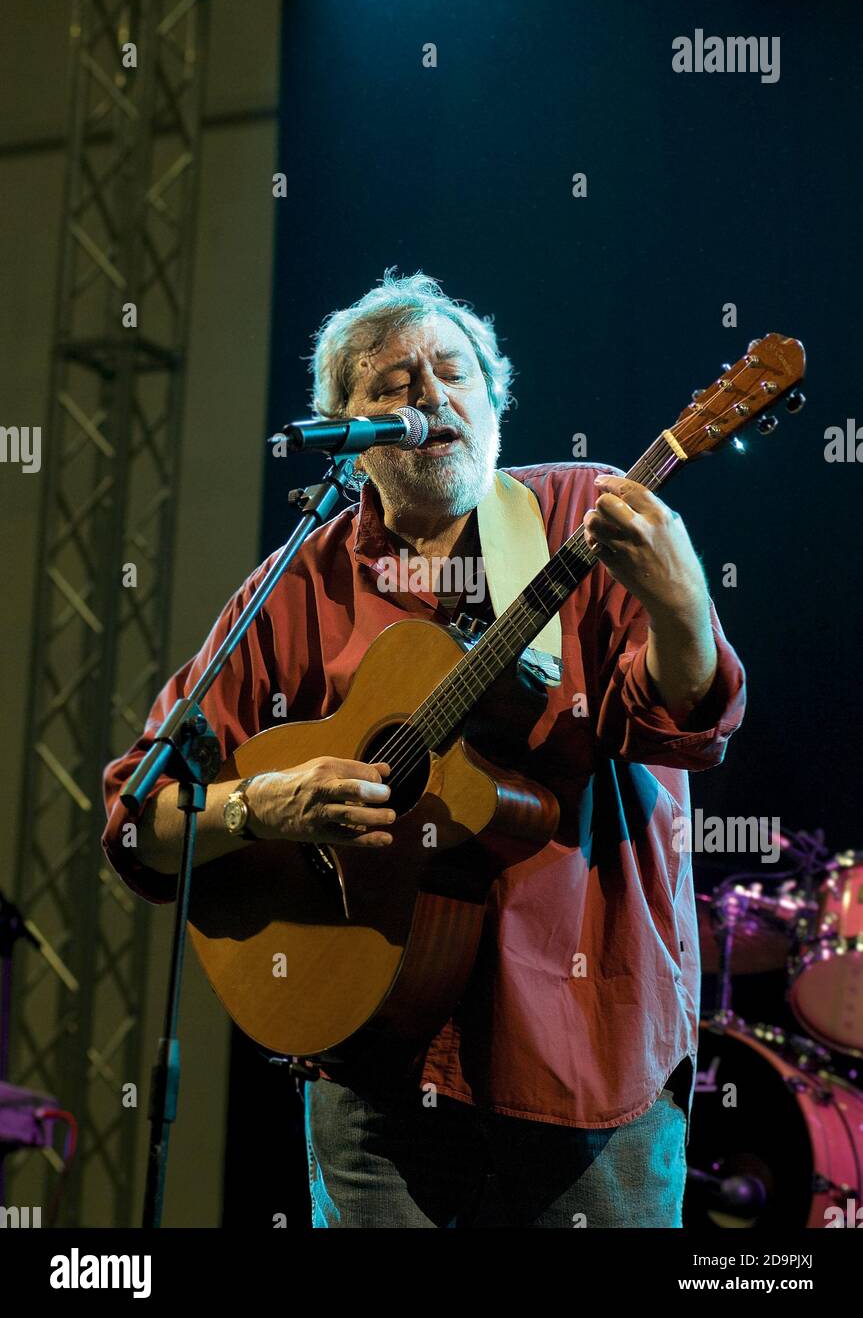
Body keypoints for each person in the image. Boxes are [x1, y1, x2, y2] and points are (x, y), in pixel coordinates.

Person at [102, 270, 746, 1228]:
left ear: (495, 399)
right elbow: (140, 825)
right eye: (389, 386)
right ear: (345, 428)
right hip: (373, 1069)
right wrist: (258, 807)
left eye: (451, 371)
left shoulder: (573, 516)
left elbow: (684, 722)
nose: (427, 397)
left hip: (579, 1056)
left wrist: (682, 602)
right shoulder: (293, 587)